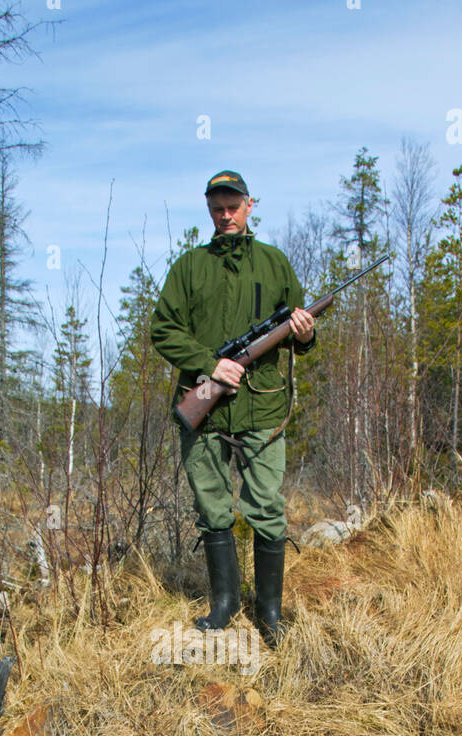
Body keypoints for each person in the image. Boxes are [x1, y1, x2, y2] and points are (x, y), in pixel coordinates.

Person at [150, 170, 316, 646]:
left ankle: (269, 612)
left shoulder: (274, 263)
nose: (225, 215)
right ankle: (224, 604)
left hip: (262, 408)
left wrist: (304, 334)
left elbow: (298, 329)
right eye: (217, 207)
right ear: (210, 209)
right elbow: (163, 329)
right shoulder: (189, 267)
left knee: (266, 505)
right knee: (212, 505)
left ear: (249, 206)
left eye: (233, 206)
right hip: (206, 403)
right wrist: (211, 365)